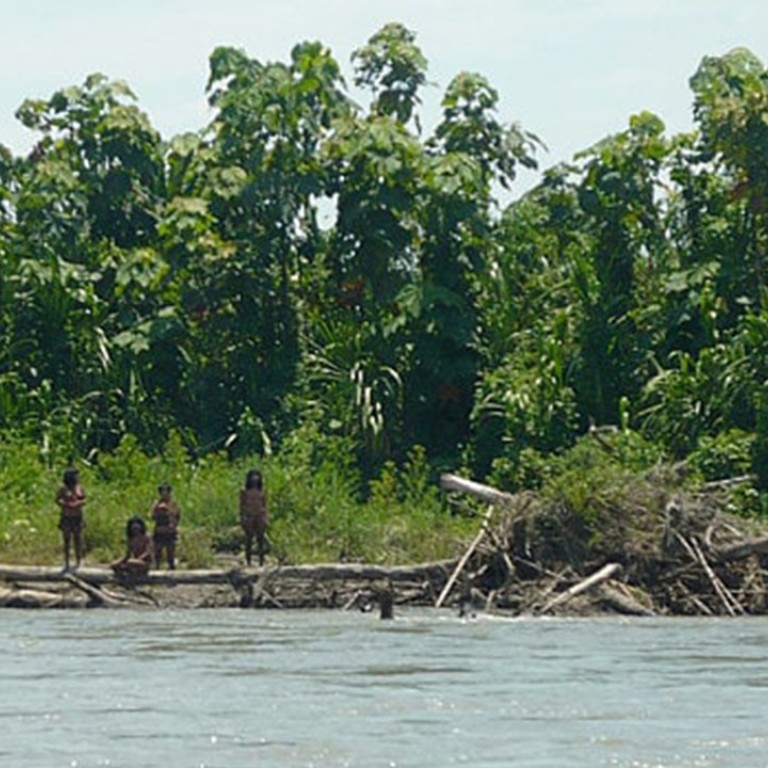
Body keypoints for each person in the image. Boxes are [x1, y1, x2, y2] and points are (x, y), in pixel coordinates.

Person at [55, 467, 86, 570]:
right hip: (66, 517)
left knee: (78, 539)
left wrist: (78, 503)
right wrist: (66, 504)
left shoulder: (79, 487)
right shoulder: (63, 488)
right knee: (66, 540)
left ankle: (78, 560)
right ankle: (67, 561)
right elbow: (57, 500)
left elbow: (84, 499)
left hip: (77, 517)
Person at [240, 469, 268, 566]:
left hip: (259, 516)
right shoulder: (244, 491)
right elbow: (242, 505)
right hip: (249, 516)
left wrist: (266, 518)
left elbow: (264, 505)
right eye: (253, 476)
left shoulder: (262, 491)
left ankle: (261, 561)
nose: (255, 478)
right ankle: (248, 561)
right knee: (249, 539)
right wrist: (242, 517)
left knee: (260, 539)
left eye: (257, 476)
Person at [111, 515, 153, 580]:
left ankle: (133, 572)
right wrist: (118, 562)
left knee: (130, 562)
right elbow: (127, 555)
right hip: (133, 562)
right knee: (115, 565)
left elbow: (148, 552)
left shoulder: (146, 537)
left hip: (145, 563)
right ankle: (125, 575)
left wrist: (139, 559)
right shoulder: (131, 540)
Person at [151, 483, 181, 570]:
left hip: (170, 531)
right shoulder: (156, 504)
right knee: (158, 553)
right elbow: (153, 516)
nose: (164, 494)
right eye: (162, 492)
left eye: (166, 491)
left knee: (170, 553)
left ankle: (172, 568)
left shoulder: (174, 504)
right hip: (159, 531)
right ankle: (157, 568)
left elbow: (177, 516)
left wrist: (174, 526)